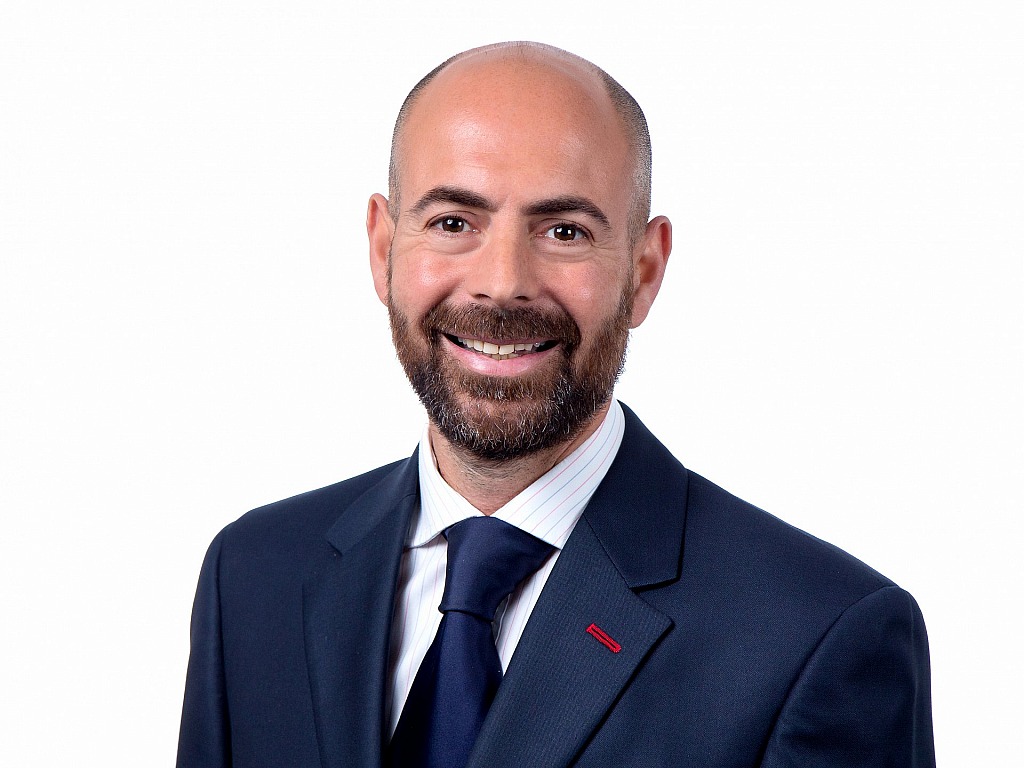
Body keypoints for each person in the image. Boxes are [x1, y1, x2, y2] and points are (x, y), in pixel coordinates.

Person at [177, 42, 935, 767]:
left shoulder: (819, 635)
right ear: (383, 249)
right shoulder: (253, 576)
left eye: (565, 231)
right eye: (453, 223)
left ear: (644, 270)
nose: (502, 282)